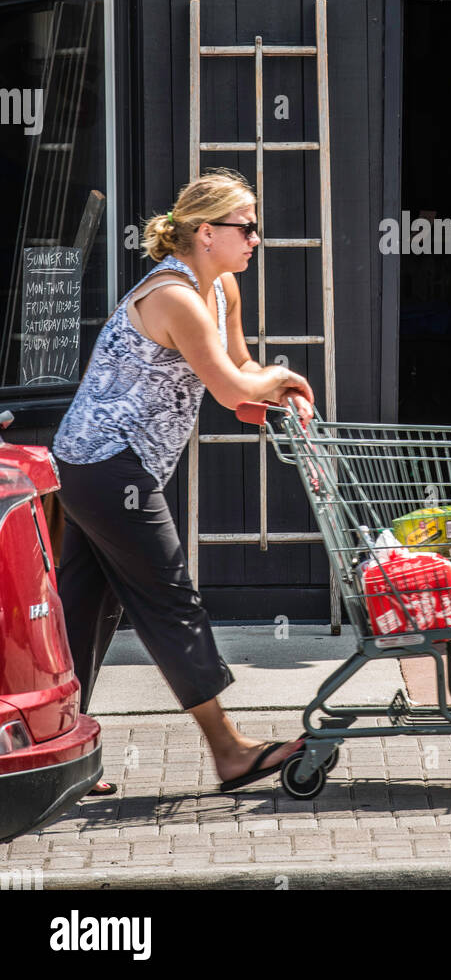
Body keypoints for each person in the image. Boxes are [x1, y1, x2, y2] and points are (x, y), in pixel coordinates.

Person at [52, 168, 315, 794]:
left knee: (83, 612)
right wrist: (281, 382)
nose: (256, 238)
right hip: (108, 464)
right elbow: (233, 384)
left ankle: (54, 756)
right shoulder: (173, 296)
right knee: (169, 600)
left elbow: (237, 371)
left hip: (98, 466)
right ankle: (228, 750)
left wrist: (269, 395)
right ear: (205, 232)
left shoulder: (220, 287)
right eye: (246, 227)